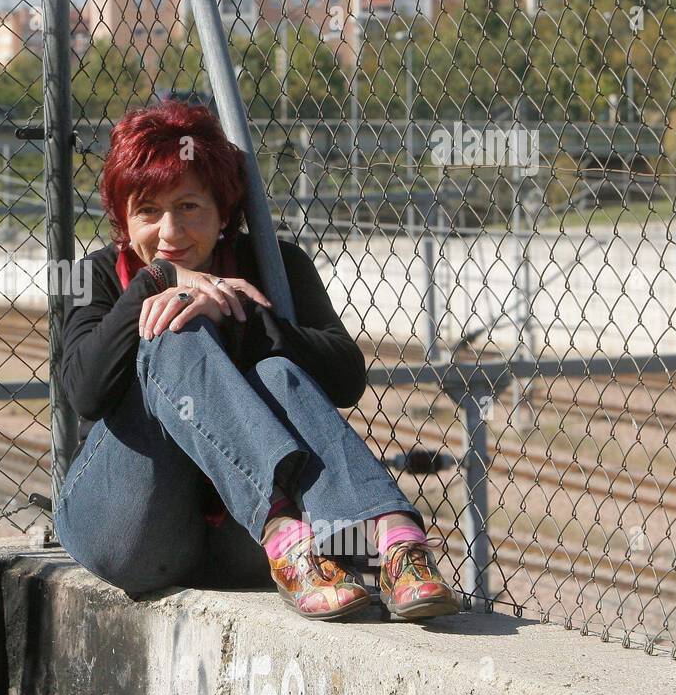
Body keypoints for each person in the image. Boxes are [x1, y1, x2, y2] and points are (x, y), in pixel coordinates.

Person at [53, 100, 459, 621]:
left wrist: (241, 312)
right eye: (149, 211)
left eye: (189, 207)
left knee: (277, 371)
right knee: (174, 329)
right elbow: (84, 390)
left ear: (224, 210)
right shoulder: (92, 275)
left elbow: (345, 377)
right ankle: (311, 529)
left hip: (242, 546)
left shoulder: (276, 263)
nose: (170, 233)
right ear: (123, 219)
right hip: (128, 527)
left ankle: (390, 539)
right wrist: (159, 285)